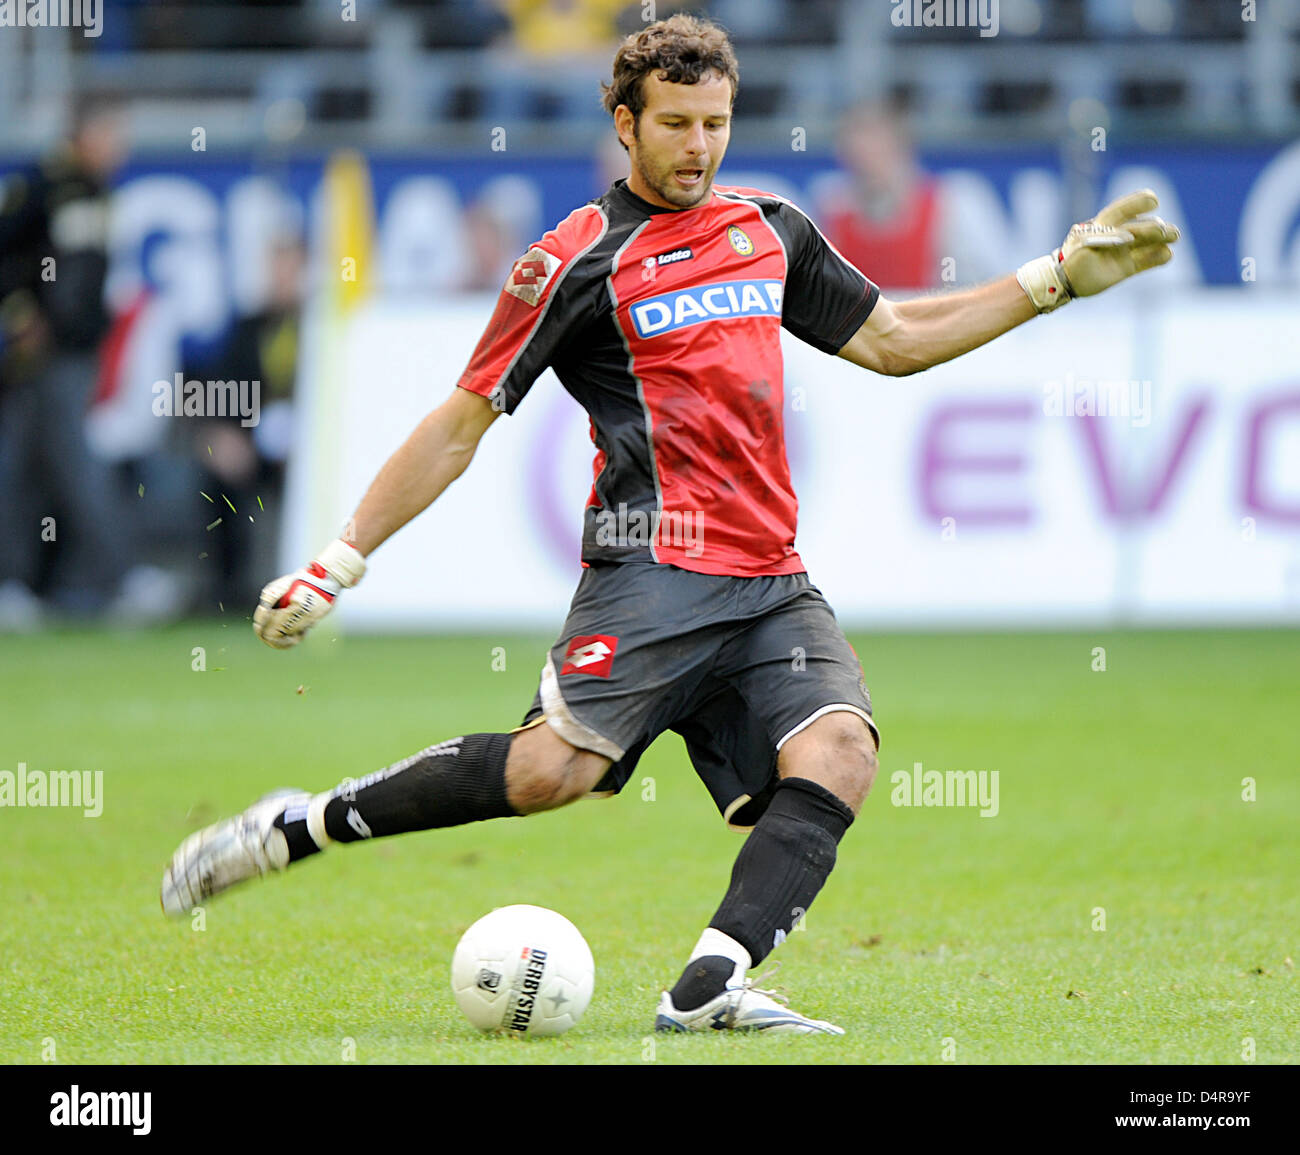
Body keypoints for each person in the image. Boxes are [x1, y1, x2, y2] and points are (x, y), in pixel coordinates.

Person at [160, 14, 1179, 1034]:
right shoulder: (573, 261)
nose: (699, 147)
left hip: (769, 577)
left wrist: (1050, 281)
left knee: (839, 753)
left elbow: (894, 338)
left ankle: (709, 985)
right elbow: (461, 422)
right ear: (623, 121)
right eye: (677, 124)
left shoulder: (770, 229)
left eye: (717, 124)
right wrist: (338, 562)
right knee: (551, 772)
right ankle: (302, 825)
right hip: (650, 567)